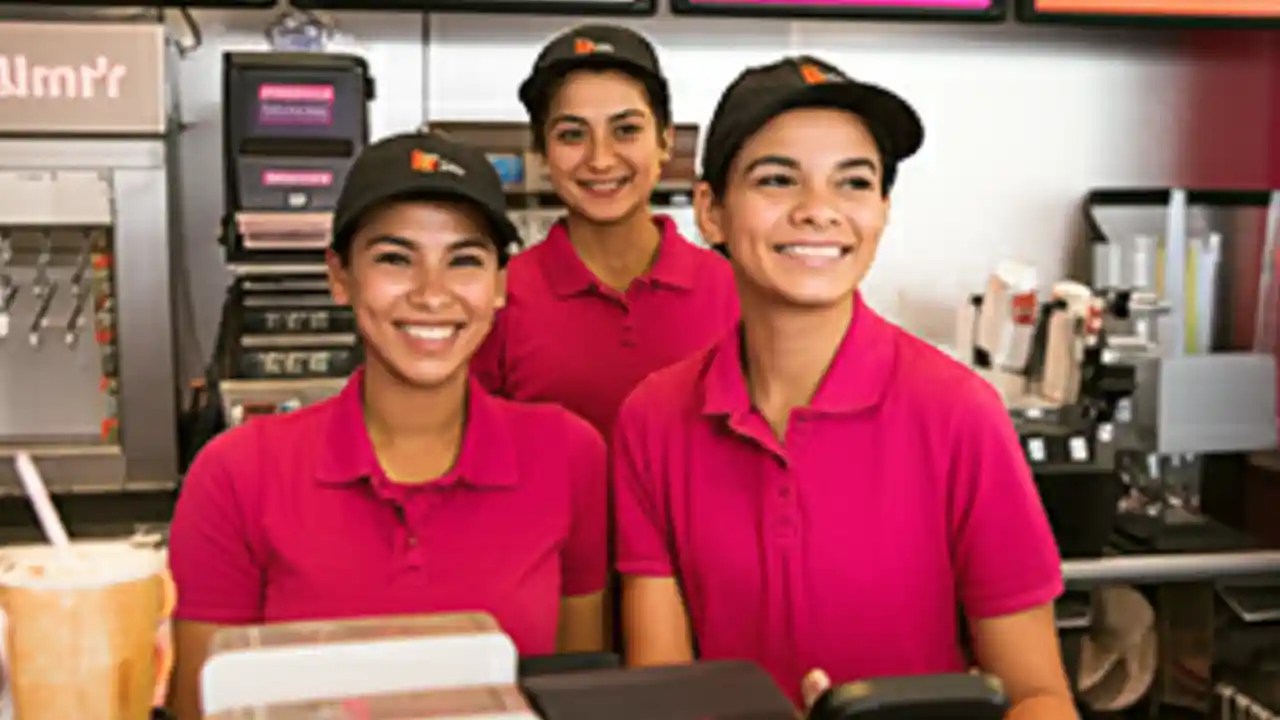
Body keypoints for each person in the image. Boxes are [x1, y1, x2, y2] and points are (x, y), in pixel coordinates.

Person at [612, 56, 1078, 719]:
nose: (817, 212)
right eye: (777, 180)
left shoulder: (958, 415)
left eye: (852, 183)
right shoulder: (653, 420)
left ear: (882, 211)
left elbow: (1038, 698)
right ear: (711, 212)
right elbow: (662, 698)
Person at [167, 133, 607, 719]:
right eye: (395, 259)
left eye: (465, 260)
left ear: (501, 285)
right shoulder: (236, 474)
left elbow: (573, 692)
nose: (431, 294)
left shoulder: (568, 454)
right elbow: (201, 707)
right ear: (340, 276)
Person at [472, 23, 739, 439]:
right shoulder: (496, 298)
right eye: (572, 134)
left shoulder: (734, 291)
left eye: (627, 130)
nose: (600, 160)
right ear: (543, 151)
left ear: (665, 141)